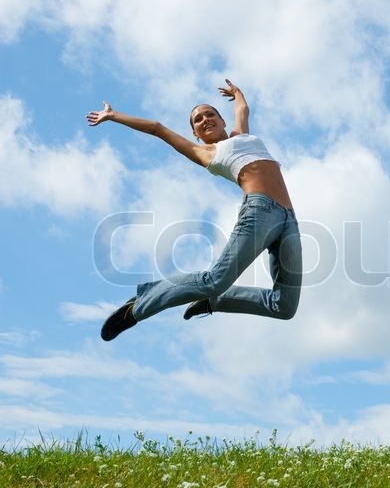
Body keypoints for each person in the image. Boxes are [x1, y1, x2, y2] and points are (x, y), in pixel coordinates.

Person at [87, 79, 302, 341]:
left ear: (222, 121)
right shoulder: (205, 153)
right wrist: (114, 115)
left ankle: (214, 302)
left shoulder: (241, 136)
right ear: (195, 134)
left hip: (289, 220)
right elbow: (157, 128)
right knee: (215, 279)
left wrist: (237, 93)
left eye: (210, 114)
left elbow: (242, 110)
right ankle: (140, 305)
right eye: (198, 120)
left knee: (284, 306)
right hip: (261, 210)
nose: (205, 120)